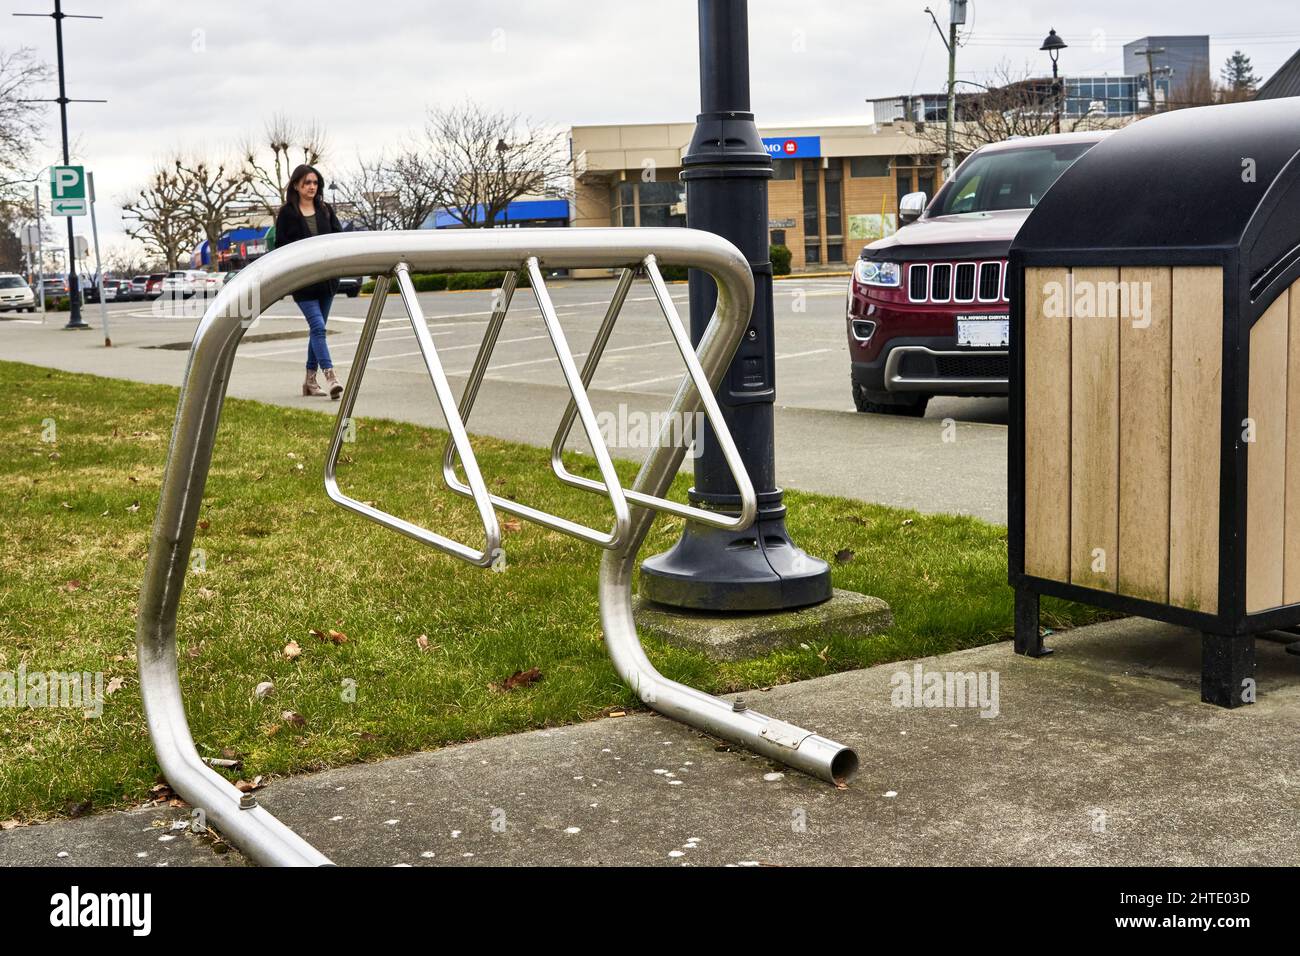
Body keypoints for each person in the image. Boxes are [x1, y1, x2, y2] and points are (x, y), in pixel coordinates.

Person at [274, 164, 346, 398]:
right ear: (296, 185)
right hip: (303, 283)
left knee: (318, 332)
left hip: (327, 281)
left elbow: (338, 239)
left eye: (315, 182)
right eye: (307, 183)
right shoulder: (287, 213)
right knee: (318, 328)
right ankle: (331, 377)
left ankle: (309, 381)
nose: (312, 187)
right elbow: (281, 248)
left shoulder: (325, 209)